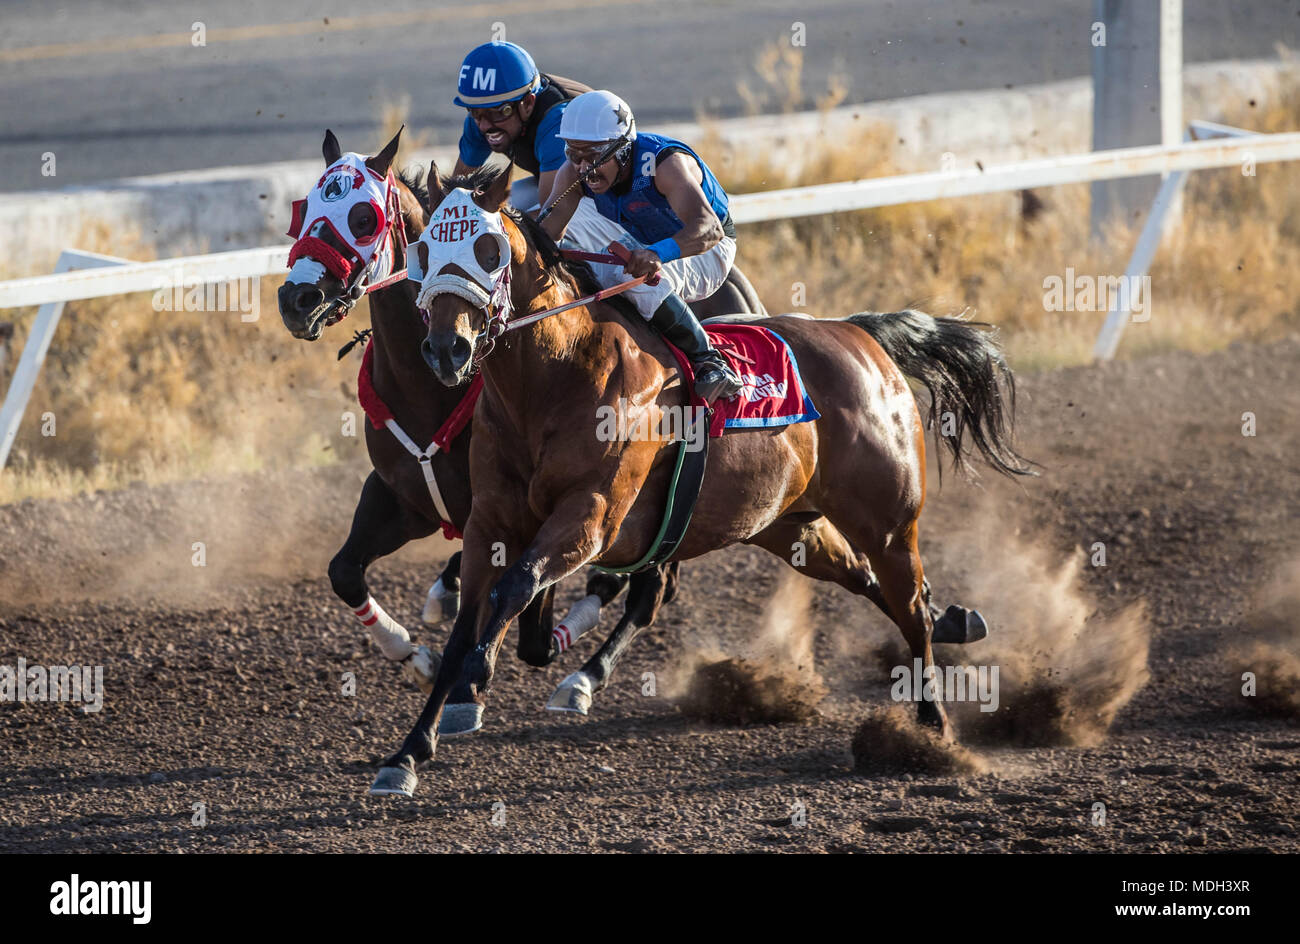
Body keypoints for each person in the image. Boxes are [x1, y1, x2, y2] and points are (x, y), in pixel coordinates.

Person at [541, 90, 743, 403]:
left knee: (625, 276)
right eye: (574, 154)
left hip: (707, 248)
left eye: (593, 157)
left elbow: (709, 230)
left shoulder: (665, 164)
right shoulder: (576, 171)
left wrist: (657, 254)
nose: (583, 168)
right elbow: (546, 233)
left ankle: (708, 360)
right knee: (569, 224)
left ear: (622, 150)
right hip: (642, 234)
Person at [451, 41, 589, 212]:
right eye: (475, 111)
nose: (485, 125)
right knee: (478, 209)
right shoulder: (479, 120)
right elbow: (455, 197)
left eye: (499, 111)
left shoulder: (558, 123)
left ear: (528, 104)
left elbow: (550, 219)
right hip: (556, 186)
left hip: (607, 201)